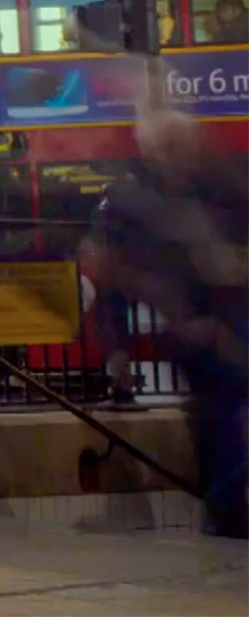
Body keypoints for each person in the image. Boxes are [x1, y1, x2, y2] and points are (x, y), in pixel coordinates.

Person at [85, 110, 247, 539]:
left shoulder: (220, 183)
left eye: (189, 143)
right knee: (219, 410)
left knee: (219, 412)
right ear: (154, 150)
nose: (187, 153)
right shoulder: (128, 199)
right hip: (195, 328)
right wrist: (117, 347)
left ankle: (224, 507)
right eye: (176, 146)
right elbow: (111, 274)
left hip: (229, 319)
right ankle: (226, 510)